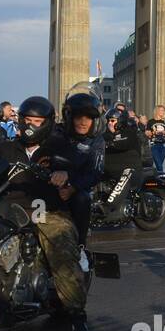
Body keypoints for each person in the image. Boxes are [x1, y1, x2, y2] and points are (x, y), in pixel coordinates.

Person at [0, 96, 91, 331]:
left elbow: (75, 168)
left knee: (61, 250)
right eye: (27, 121)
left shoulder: (58, 147)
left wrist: (63, 173)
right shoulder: (5, 147)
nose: (31, 126)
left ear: (46, 123)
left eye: (37, 122)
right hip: (8, 210)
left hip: (44, 210)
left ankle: (77, 315)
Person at [60, 92, 105, 245]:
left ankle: (80, 245)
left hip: (77, 188)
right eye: (79, 117)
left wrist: (72, 187)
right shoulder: (57, 134)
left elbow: (95, 172)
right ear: (69, 117)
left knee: (82, 199)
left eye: (88, 118)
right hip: (51, 185)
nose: (83, 122)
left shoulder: (96, 141)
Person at [145, 105, 165, 175]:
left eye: (163, 110)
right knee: (158, 165)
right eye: (161, 110)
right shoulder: (151, 121)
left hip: (164, 144)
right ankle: (159, 179)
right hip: (154, 144)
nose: (163, 112)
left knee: (161, 165)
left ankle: (160, 179)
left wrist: (163, 132)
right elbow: (147, 133)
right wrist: (153, 132)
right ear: (157, 111)